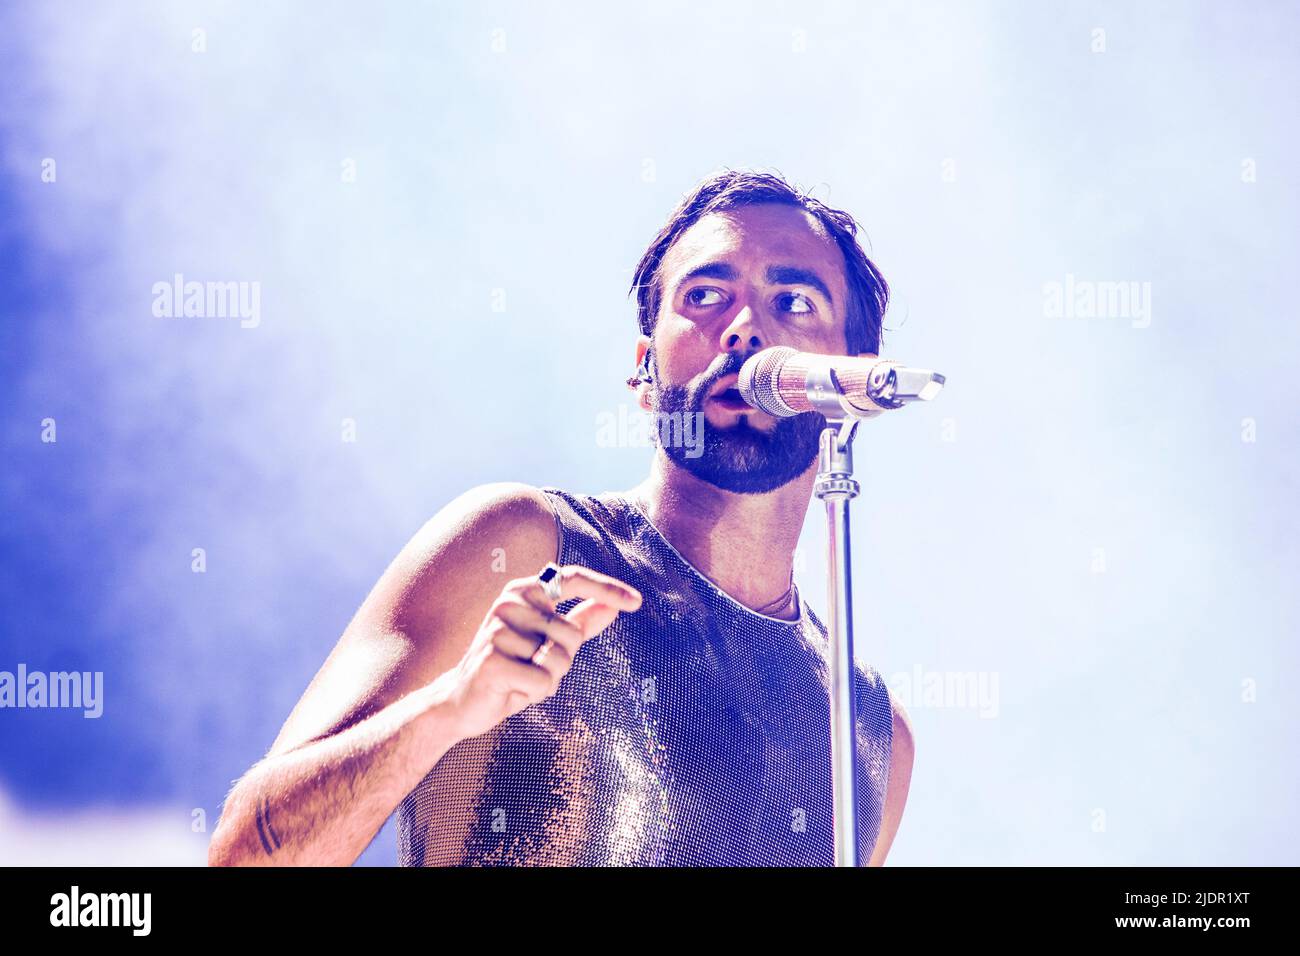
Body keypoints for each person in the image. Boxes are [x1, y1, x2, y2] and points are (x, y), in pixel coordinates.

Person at [207, 169, 915, 867]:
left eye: (793, 301)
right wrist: (448, 708)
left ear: (852, 380)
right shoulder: (522, 547)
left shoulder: (871, 730)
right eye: (705, 295)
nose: (744, 329)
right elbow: (244, 858)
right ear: (644, 371)